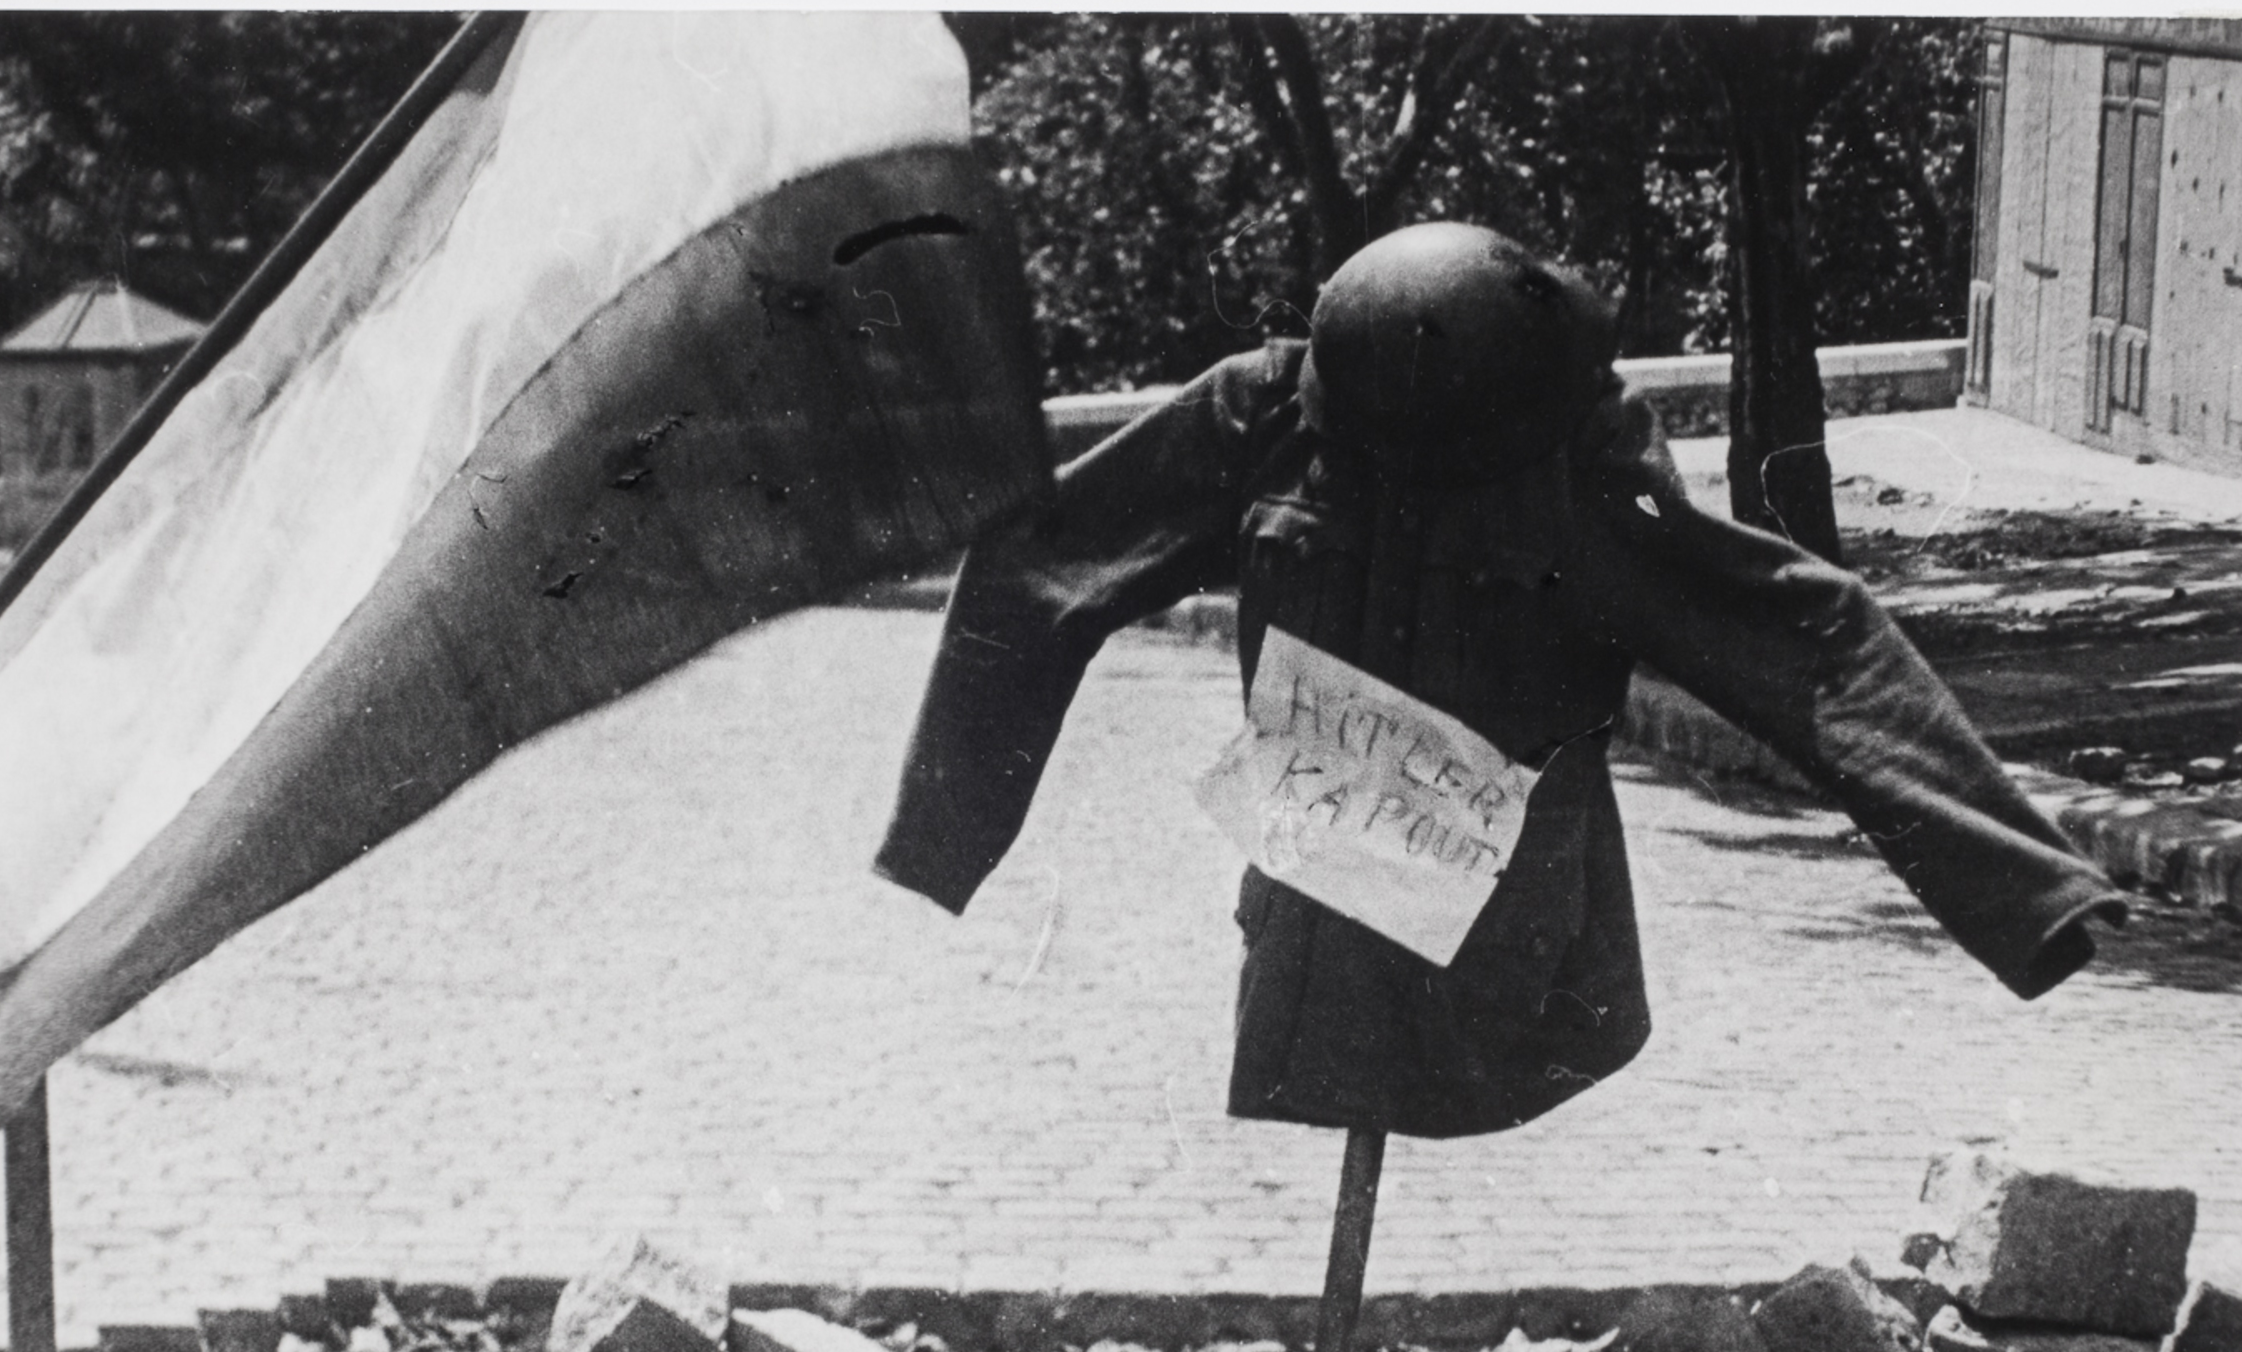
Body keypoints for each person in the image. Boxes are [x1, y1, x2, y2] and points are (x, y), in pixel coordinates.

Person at [873, 222, 2124, 1144]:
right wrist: (947, 832)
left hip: (1510, 935)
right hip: (1319, 890)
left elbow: (1808, 641)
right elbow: (1041, 565)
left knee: (1452, 1069)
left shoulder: (1582, 468)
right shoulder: (1263, 419)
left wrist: (2025, 891)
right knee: (1330, 1063)